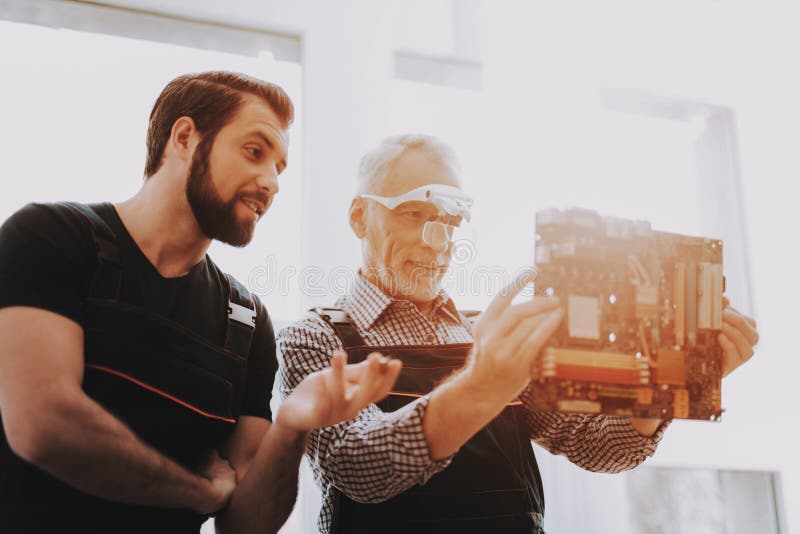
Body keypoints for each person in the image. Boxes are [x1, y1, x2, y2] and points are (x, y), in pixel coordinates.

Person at [277, 134, 760, 533]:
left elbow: (594, 446)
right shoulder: (314, 339)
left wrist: (671, 382)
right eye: (413, 214)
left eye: (449, 220)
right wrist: (480, 380)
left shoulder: (489, 334)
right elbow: (360, 470)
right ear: (360, 216)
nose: (437, 242)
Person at [0, 71, 401, 534]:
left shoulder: (248, 320)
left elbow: (245, 525)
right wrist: (199, 492)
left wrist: (292, 428)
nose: (271, 182)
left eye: (279, 168)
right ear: (186, 137)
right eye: (255, 152)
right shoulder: (51, 237)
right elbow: (45, 429)